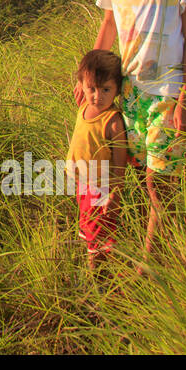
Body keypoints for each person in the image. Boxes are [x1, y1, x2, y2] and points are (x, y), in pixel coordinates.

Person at [76, 0, 186, 263]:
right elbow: (108, 29)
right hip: (126, 95)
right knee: (118, 178)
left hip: (166, 93)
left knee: (158, 183)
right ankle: (109, 250)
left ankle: (152, 265)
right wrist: (86, 79)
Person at [66, 49, 128, 270]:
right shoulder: (84, 107)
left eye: (106, 90)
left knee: (98, 240)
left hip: (100, 189)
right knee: (89, 229)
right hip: (84, 185)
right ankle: (98, 274)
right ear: (81, 85)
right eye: (91, 89)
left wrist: (115, 193)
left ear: (117, 90)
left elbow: (120, 164)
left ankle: (99, 283)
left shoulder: (113, 121)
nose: (97, 96)